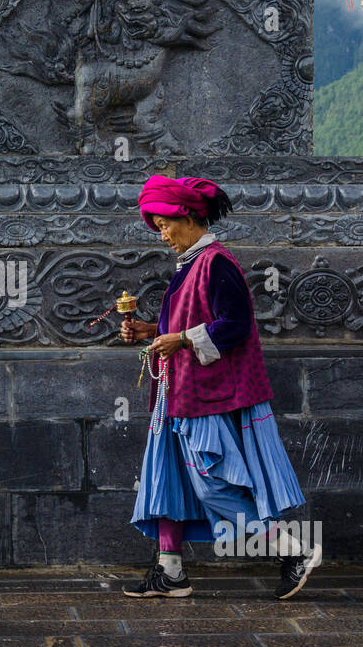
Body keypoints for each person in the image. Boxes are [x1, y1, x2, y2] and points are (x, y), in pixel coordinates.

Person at [121, 176, 319, 600]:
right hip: (176, 392)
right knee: (166, 478)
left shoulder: (216, 262)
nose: (163, 234)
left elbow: (235, 326)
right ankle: (170, 571)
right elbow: (189, 322)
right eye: (156, 226)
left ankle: (293, 551)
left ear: (188, 217)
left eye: (165, 225)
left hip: (204, 396)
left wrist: (182, 339)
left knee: (212, 481)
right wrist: (150, 331)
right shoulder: (190, 264)